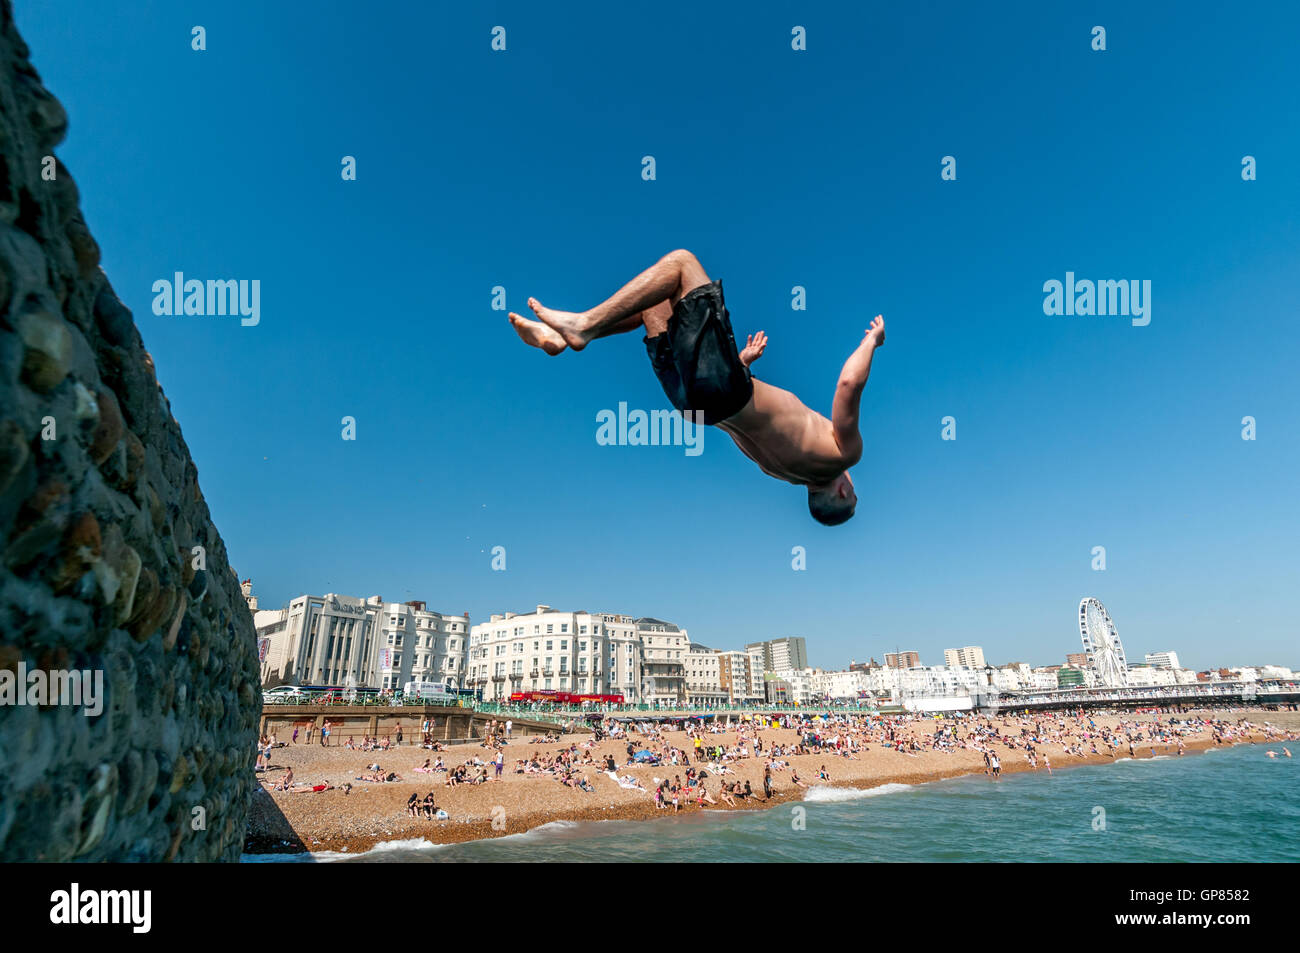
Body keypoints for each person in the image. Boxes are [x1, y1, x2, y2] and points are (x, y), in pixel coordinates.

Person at [508, 249, 885, 524]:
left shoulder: (844, 454)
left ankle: (582, 326)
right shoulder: (779, 470)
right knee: (653, 302)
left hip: (727, 392)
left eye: (853, 492)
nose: (852, 484)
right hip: (695, 407)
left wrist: (871, 342)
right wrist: (740, 365)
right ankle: (560, 337)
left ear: (841, 492)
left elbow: (849, 383)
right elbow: (737, 421)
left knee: (681, 264)